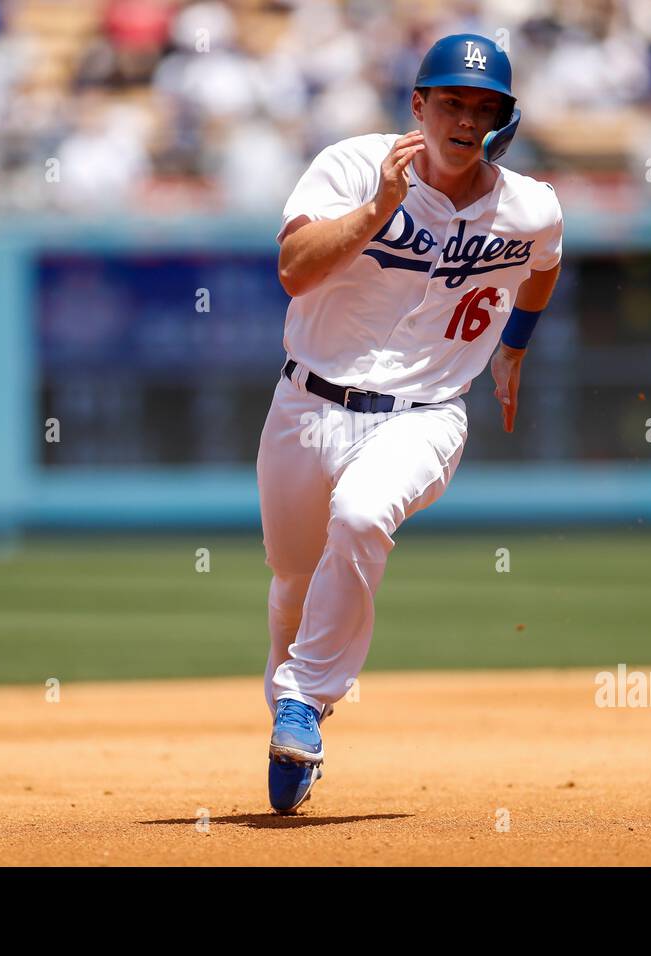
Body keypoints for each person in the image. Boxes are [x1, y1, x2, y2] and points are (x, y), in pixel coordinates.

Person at [256, 34, 563, 813]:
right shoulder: (353, 166)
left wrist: (514, 349)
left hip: (426, 416)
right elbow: (295, 270)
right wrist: (379, 209)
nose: (465, 120)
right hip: (307, 404)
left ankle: (305, 706)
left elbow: (545, 263)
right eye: (451, 102)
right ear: (418, 105)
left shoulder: (529, 206)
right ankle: (293, 691)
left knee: (361, 517)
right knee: (295, 574)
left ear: (505, 119)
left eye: (483, 107)